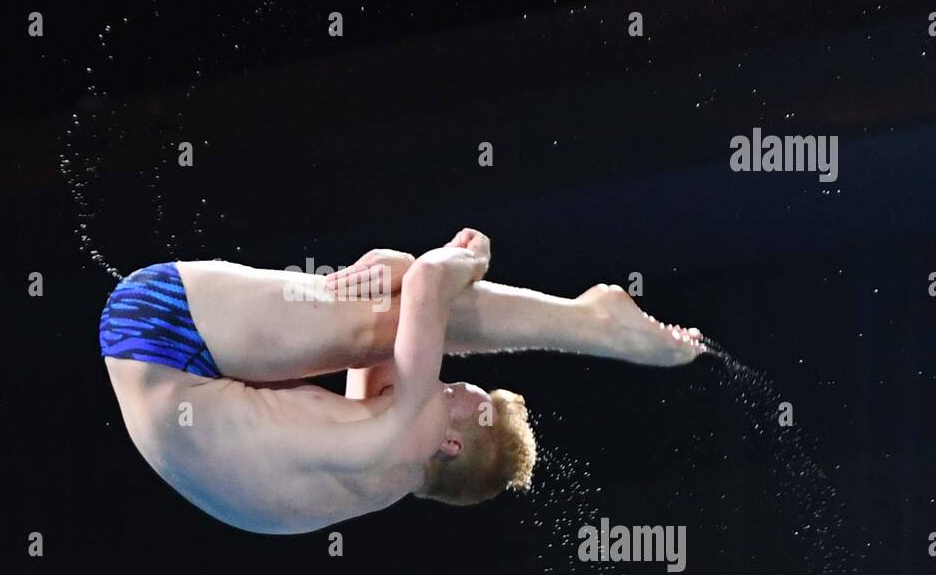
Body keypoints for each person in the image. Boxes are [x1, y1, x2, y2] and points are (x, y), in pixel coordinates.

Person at [99, 228, 704, 533]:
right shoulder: (387, 473)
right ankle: (593, 323)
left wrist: (468, 256)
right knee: (387, 322)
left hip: (162, 328)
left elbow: (427, 288)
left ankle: (594, 324)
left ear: (452, 443)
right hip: (154, 364)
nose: (451, 384)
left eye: (460, 396)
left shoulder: (406, 436)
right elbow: (388, 342)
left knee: (389, 319)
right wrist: (400, 272)